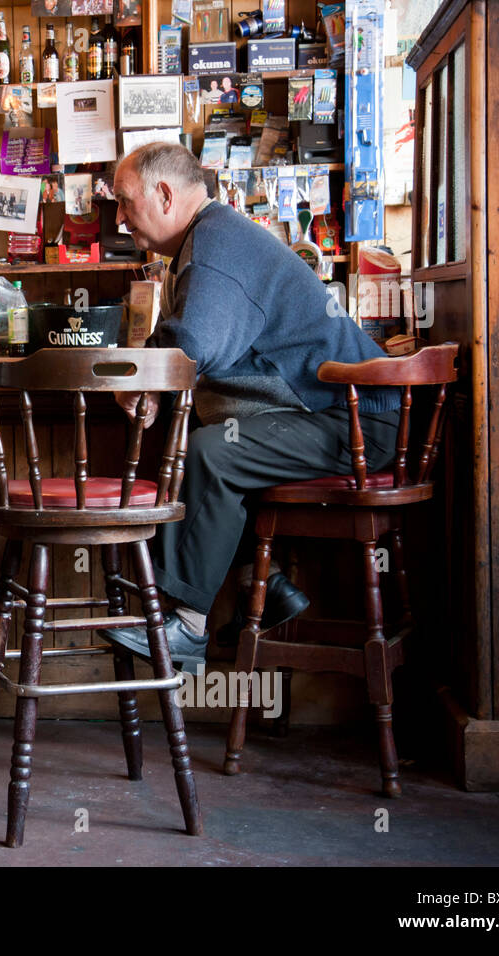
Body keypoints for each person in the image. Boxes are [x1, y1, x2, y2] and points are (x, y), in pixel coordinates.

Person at [101, 142, 400, 668]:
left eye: (124, 202)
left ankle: (187, 628)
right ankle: (263, 584)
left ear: (165, 194)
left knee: (214, 453)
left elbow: (192, 341)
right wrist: (148, 381)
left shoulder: (217, 245)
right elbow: (189, 343)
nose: (120, 219)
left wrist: (142, 382)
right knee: (208, 444)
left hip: (359, 424)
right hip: (334, 415)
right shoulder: (208, 239)